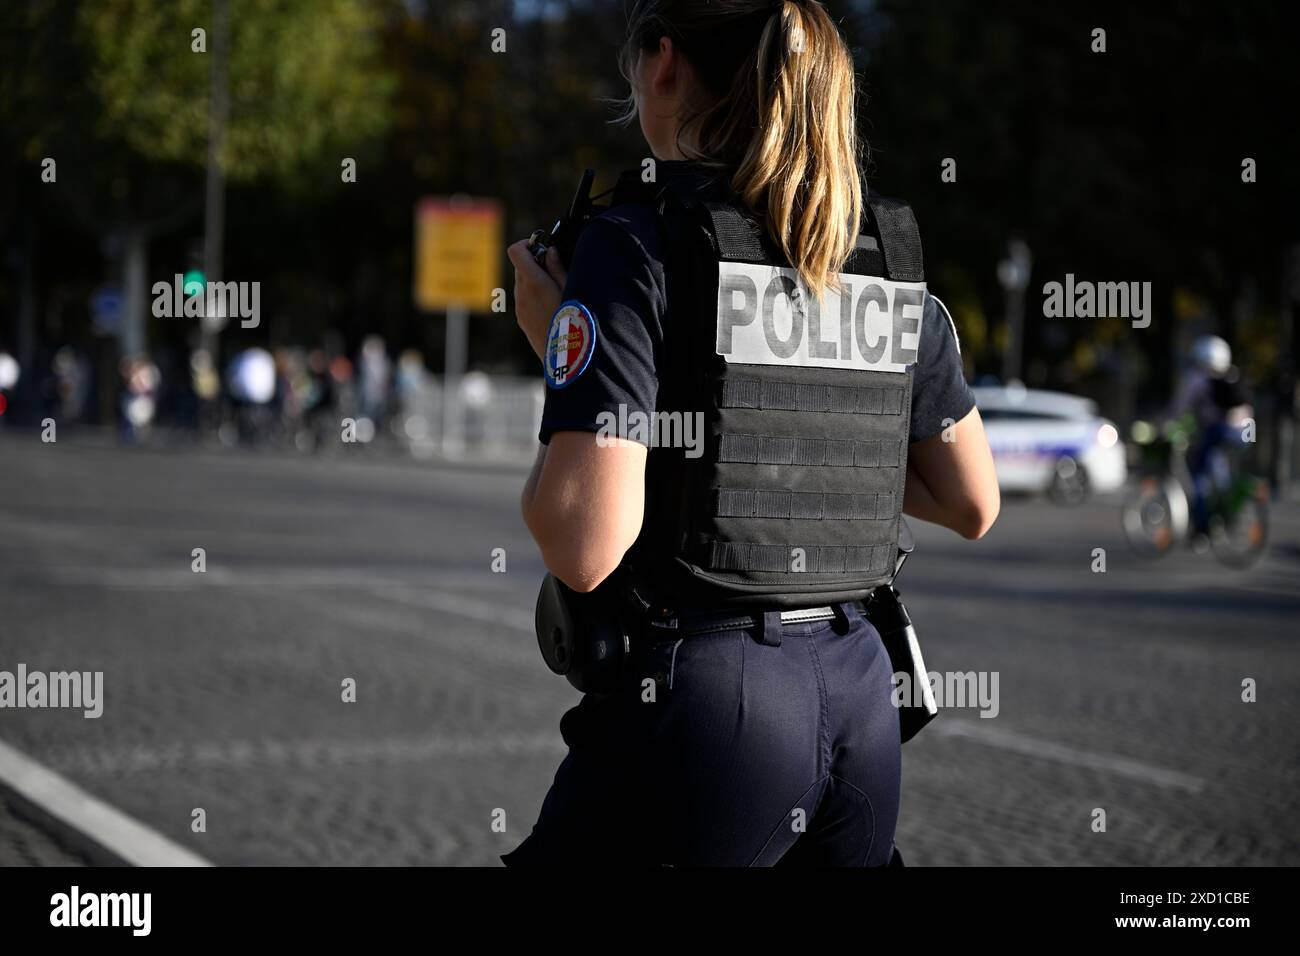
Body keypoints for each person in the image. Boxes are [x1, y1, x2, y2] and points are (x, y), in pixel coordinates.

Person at [503, 0, 999, 866]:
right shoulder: (878, 250)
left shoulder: (637, 243)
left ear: (665, 65)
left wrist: (560, 352)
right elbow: (971, 501)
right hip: (859, 698)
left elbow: (583, 543)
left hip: (707, 706)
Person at [1167, 334, 1253, 540]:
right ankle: (1225, 505)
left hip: (1220, 430)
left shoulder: (1198, 379)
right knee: (1220, 462)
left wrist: (1165, 422)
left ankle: (1203, 527)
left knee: (1198, 472)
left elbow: (1179, 408)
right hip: (1247, 431)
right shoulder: (1234, 375)